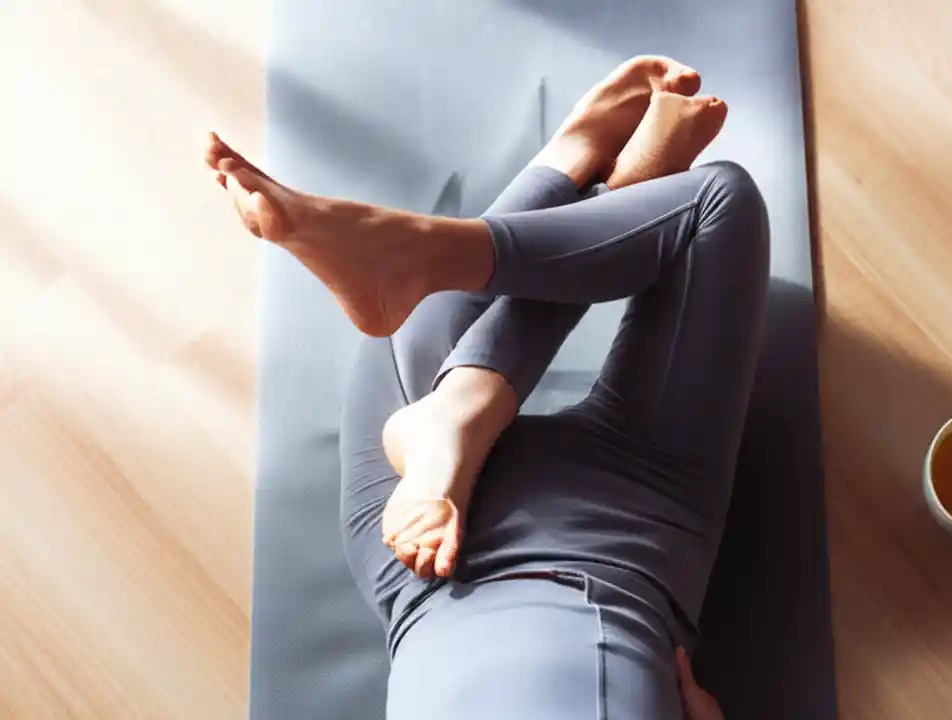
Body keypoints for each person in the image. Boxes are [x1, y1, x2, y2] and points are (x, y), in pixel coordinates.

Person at [207, 56, 768, 719]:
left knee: (716, 202)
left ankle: (490, 246)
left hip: (424, 551)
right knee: (718, 203)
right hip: (625, 528)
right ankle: (485, 262)